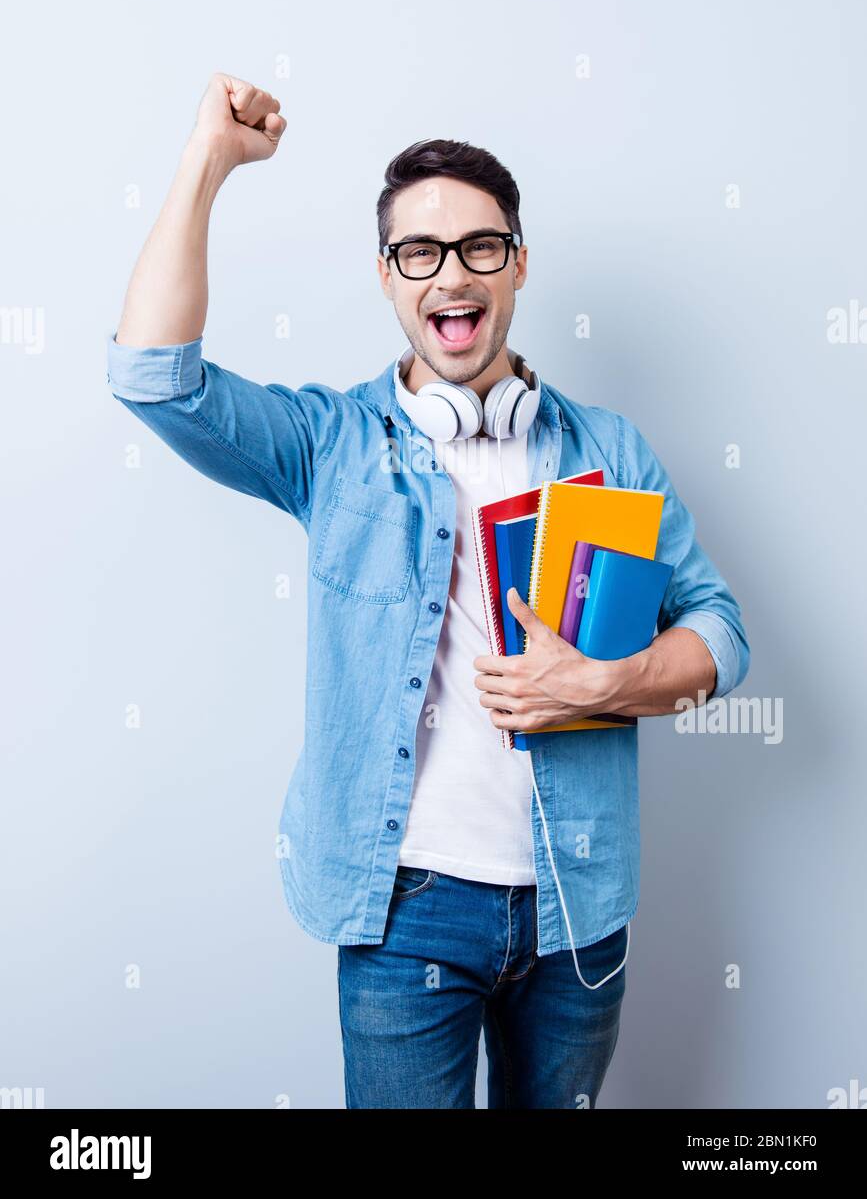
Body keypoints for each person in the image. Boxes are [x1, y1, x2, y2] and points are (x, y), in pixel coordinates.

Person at [107, 72, 750, 1110]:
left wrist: (607, 679)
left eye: (480, 246)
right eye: (421, 252)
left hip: (576, 912)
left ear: (519, 264)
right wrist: (208, 161)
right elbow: (152, 376)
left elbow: (723, 637)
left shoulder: (610, 451)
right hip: (406, 913)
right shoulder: (332, 445)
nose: (452, 273)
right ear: (388, 276)